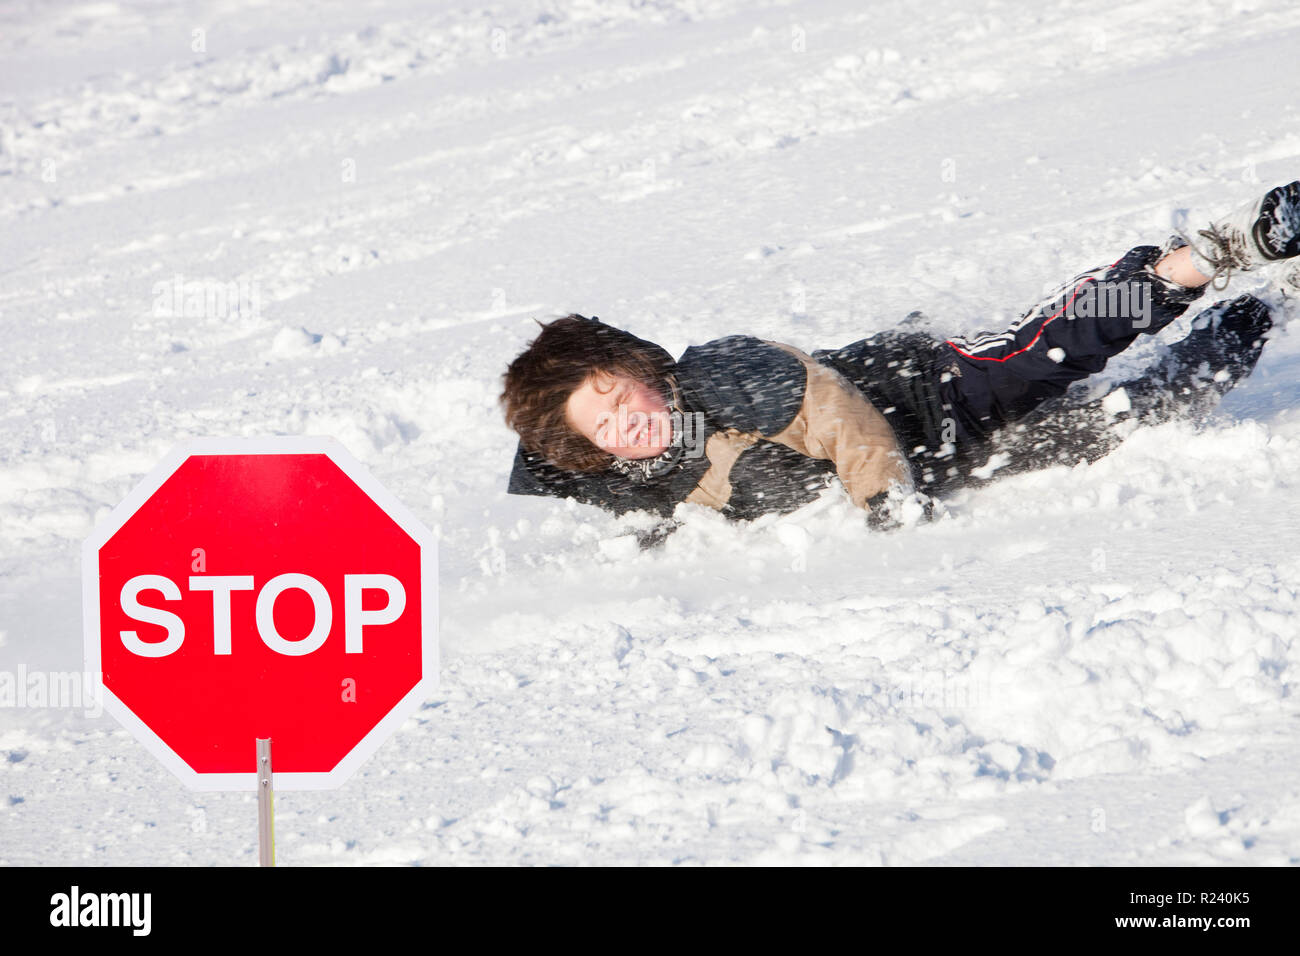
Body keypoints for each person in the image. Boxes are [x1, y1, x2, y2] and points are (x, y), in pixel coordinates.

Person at [500, 181, 1300, 548]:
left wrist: (885, 499)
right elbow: (556, 466)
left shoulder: (716, 376)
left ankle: (1211, 255)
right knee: (1149, 410)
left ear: (642, 368)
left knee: (1047, 352)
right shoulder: (628, 478)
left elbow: (836, 415)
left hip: (939, 387)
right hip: (968, 462)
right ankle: (1272, 305)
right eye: (605, 426)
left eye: (620, 395)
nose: (627, 420)